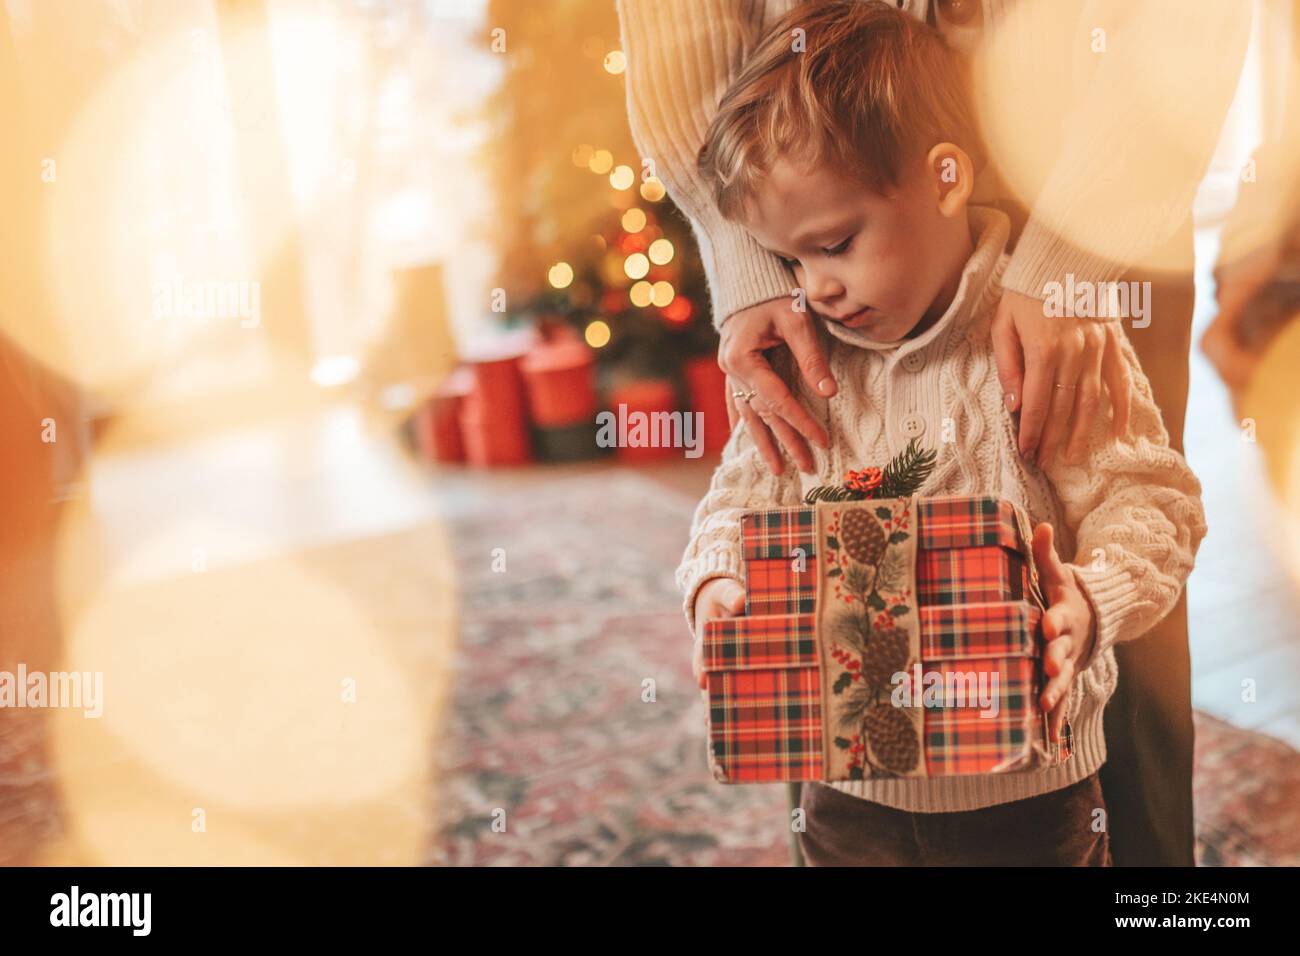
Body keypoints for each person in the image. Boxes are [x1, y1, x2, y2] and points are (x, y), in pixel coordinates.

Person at [618, 0, 1248, 866]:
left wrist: (1091, 602)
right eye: (794, 260)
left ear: (949, 179)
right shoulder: (810, 355)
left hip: (1030, 804)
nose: (817, 292)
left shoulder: (1046, 362)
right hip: (845, 800)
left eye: (835, 245)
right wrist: (717, 583)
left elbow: (1151, 505)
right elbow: (737, 501)